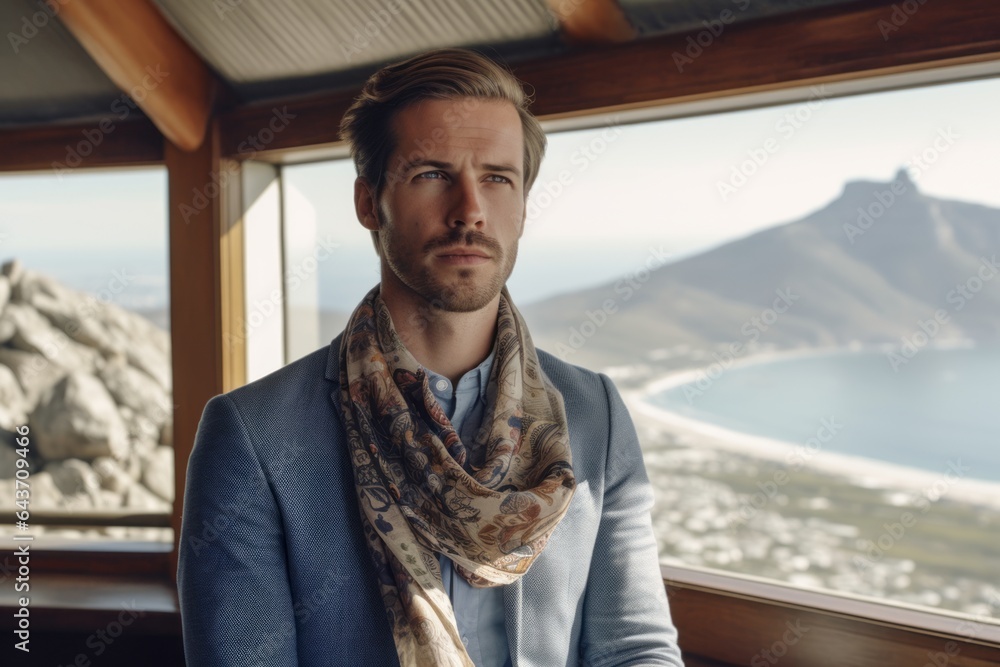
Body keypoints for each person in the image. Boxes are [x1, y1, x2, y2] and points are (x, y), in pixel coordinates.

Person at [177, 47, 684, 667]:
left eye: (497, 177)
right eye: (432, 175)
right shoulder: (254, 435)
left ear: (523, 205)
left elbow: (636, 648)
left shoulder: (595, 414)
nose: (469, 209)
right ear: (369, 203)